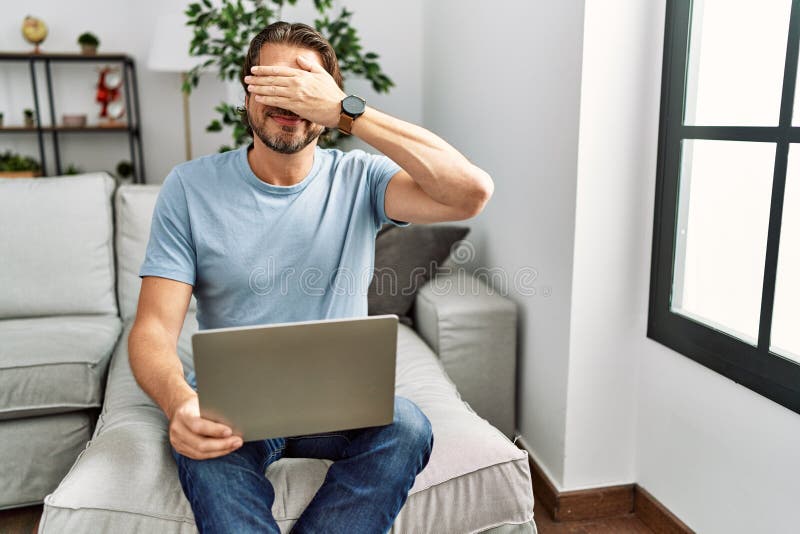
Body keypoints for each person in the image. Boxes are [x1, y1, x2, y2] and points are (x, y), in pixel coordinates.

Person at [128, 21, 493, 534]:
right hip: (237, 407)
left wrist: (349, 111)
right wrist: (179, 404)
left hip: (339, 404)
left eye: (304, 86)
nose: (289, 98)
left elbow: (470, 192)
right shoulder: (190, 187)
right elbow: (151, 331)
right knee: (204, 450)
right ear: (247, 92)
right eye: (273, 82)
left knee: (407, 425)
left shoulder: (361, 179)